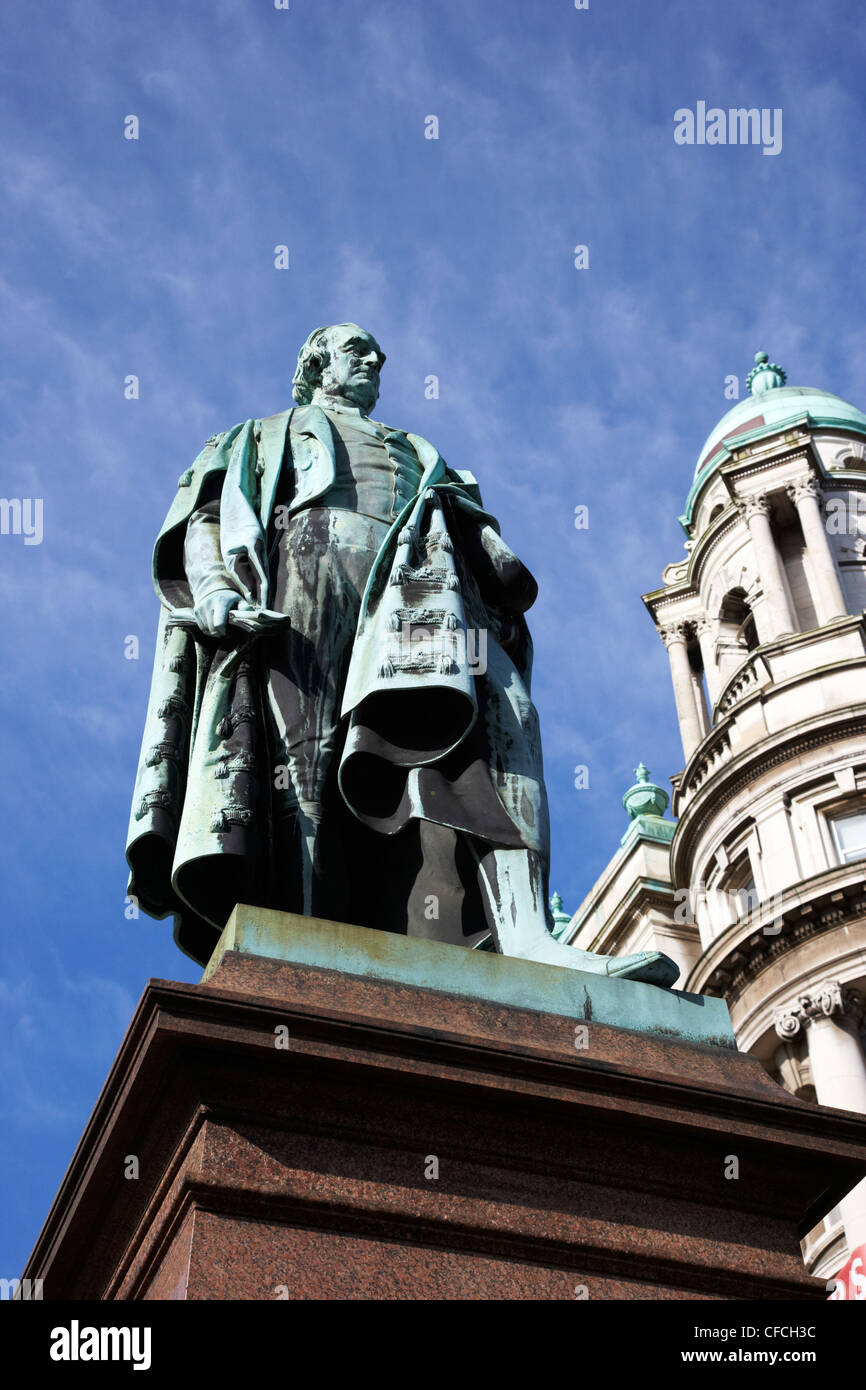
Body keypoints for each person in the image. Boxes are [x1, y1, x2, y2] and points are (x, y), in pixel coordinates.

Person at [126, 322, 678, 988]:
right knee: (305, 757)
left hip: (418, 585)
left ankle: (527, 933)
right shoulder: (258, 435)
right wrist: (214, 587)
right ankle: (303, 943)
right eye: (357, 350)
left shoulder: (416, 448)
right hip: (304, 565)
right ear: (316, 364)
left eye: (376, 352)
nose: (375, 359)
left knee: (502, 718)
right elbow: (206, 515)